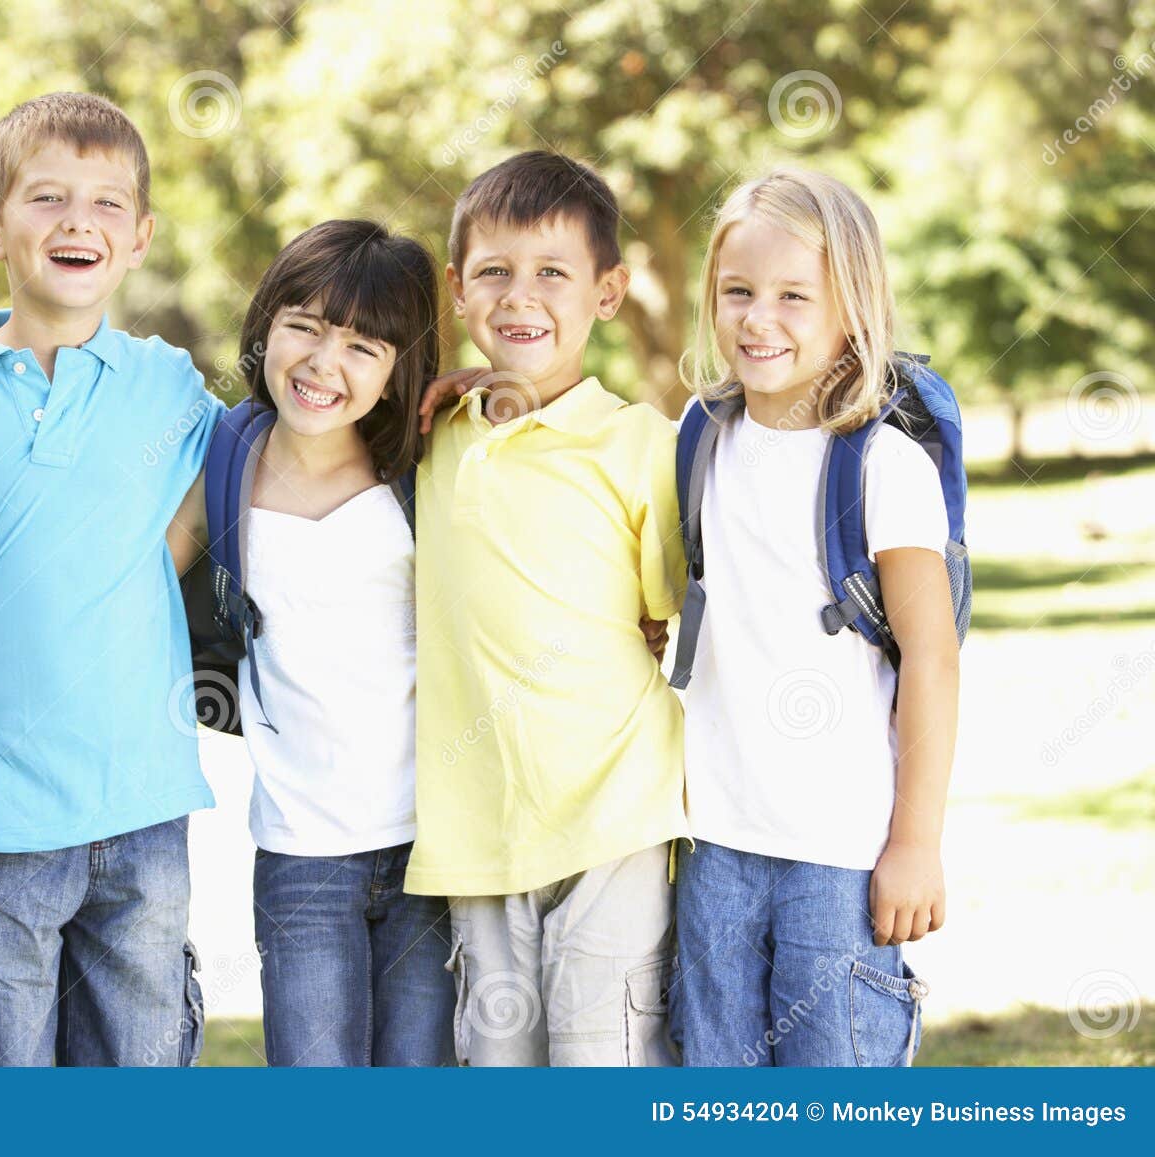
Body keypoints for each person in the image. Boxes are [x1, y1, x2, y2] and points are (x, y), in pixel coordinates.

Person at [0, 92, 220, 1066]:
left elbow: (249, 479)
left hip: (143, 807)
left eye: (106, 203)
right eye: (47, 198)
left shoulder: (170, 385)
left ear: (138, 239)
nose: (78, 220)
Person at [404, 150, 687, 1066]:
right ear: (457, 288)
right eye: (494, 272)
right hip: (477, 834)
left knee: (605, 1064)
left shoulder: (642, 443)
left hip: (617, 818)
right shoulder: (425, 434)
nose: (520, 297)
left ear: (608, 292)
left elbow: (677, 616)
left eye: (552, 274)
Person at [670, 168, 958, 1066]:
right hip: (713, 845)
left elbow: (933, 662)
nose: (760, 318)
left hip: (841, 854)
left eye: (796, 296)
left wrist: (914, 841)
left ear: (851, 309)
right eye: (739, 292)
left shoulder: (881, 464)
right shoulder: (700, 435)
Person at [171, 219, 455, 1066]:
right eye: (305, 325)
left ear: (401, 368)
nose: (325, 363)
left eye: (364, 345)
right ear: (265, 327)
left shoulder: (425, 463)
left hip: (431, 848)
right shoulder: (222, 458)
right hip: (302, 854)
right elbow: (133, 592)